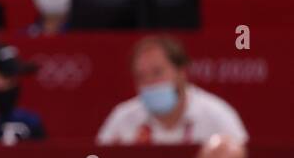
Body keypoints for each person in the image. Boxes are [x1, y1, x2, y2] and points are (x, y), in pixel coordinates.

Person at [96, 35, 248, 145]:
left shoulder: (217, 117)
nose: (149, 83)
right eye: (141, 76)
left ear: (181, 72)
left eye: (157, 73)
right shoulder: (122, 120)